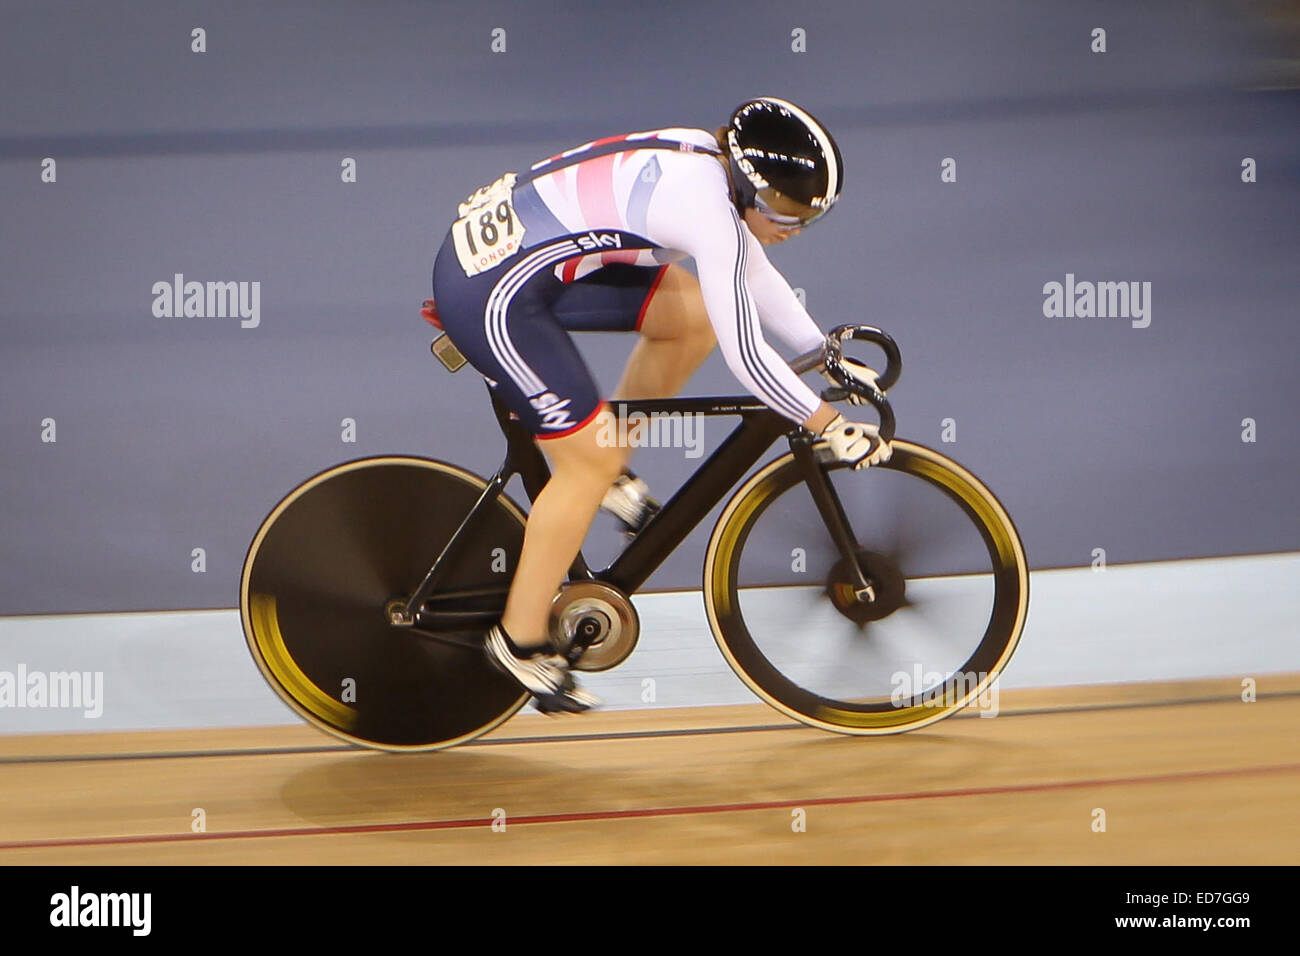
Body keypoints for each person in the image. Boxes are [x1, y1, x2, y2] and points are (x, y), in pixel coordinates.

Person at [426, 96, 890, 715]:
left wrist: (818, 348)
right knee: (583, 467)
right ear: (750, 188)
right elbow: (748, 359)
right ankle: (519, 637)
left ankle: (608, 460)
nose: (793, 227)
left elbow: (747, 264)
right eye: (785, 209)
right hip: (492, 293)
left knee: (691, 318)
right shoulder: (702, 205)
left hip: (536, 264)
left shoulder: (711, 166)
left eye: (810, 217)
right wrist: (827, 423)